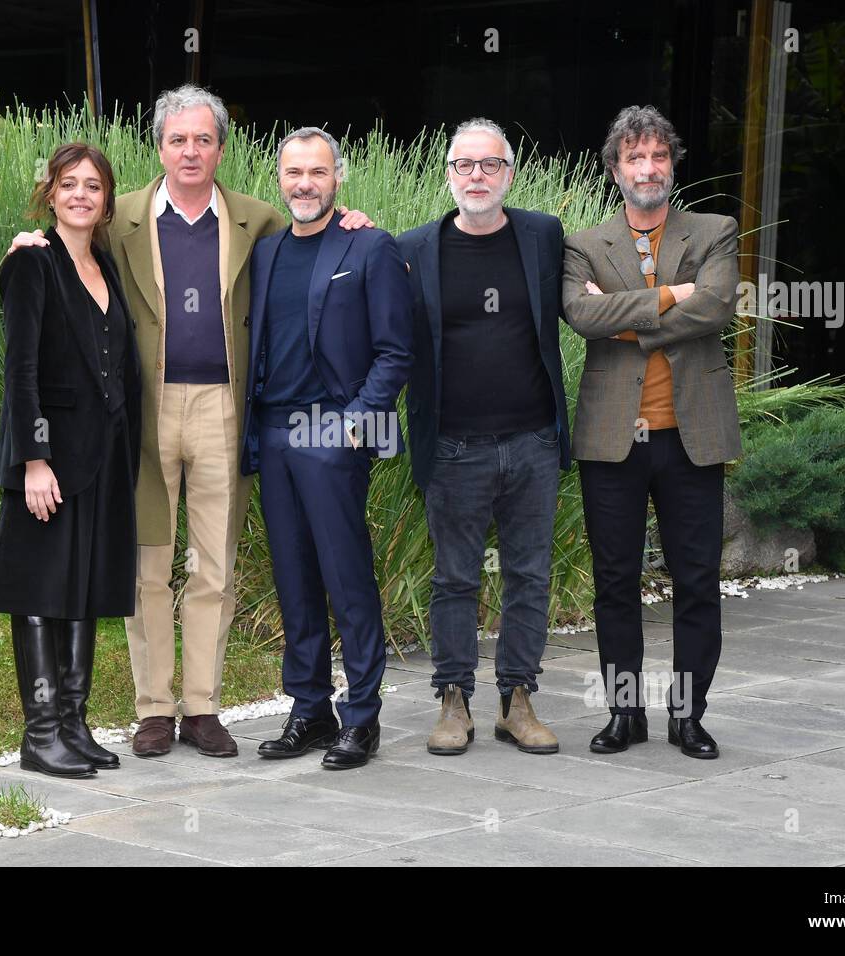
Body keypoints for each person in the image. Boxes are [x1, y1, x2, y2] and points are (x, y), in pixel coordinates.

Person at [6, 86, 373, 759]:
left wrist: (349, 217)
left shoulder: (256, 220)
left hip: (223, 409)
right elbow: (65, 248)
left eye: (203, 139)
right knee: (147, 561)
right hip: (142, 413)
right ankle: (153, 708)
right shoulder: (120, 219)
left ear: (221, 148)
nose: (190, 151)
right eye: (178, 139)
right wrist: (30, 243)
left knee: (213, 565)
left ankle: (201, 707)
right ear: (159, 148)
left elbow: (311, 228)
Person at [561, 105, 741, 759]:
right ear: (615, 170)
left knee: (696, 581)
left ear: (673, 162)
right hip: (613, 438)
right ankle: (624, 714)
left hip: (691, 436)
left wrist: (624, 315)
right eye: (634, 157)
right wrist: (671, 296)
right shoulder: (584, 243)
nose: (648, 168)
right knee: (615, 583)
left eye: (658, 156)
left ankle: (687, 718)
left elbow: (716, 304)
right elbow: (581, 315)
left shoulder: (714, 230)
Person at [396, 118, 572, 757]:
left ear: (509, 174)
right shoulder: (412, 248)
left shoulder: (543, 236)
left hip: (532, 443)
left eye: (489, 165)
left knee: (529, 574)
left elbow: (587, 300)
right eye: (465, 165)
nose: (477, 176)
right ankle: (453, 701)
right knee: (454, 578)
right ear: (447, 174)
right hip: (453, 446)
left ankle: (517, 701)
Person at [241, 127, 413, 770]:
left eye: (316, 172)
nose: (304, 184)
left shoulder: (368, 246)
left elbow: (397, 349)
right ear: (279, 179)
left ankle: (361, 716)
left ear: (337, 177)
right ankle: (309, 709)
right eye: (293, 173)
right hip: (275, 434)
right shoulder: (266, 253)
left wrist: (357, 421)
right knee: (294, 578)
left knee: (346, 577)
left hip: (333, 433)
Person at [0, 142, 142, 778]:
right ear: (50, 193)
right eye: (69, 184)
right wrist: (33, 461)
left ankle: (74, 726)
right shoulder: (33, 263)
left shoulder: (104, 262)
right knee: (39, 588)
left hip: (103, 458)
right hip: (48, 461)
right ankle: (41, 732)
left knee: (84, 588)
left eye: (94, 186)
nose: (81, 194)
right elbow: (21, 373)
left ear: (106, 201)